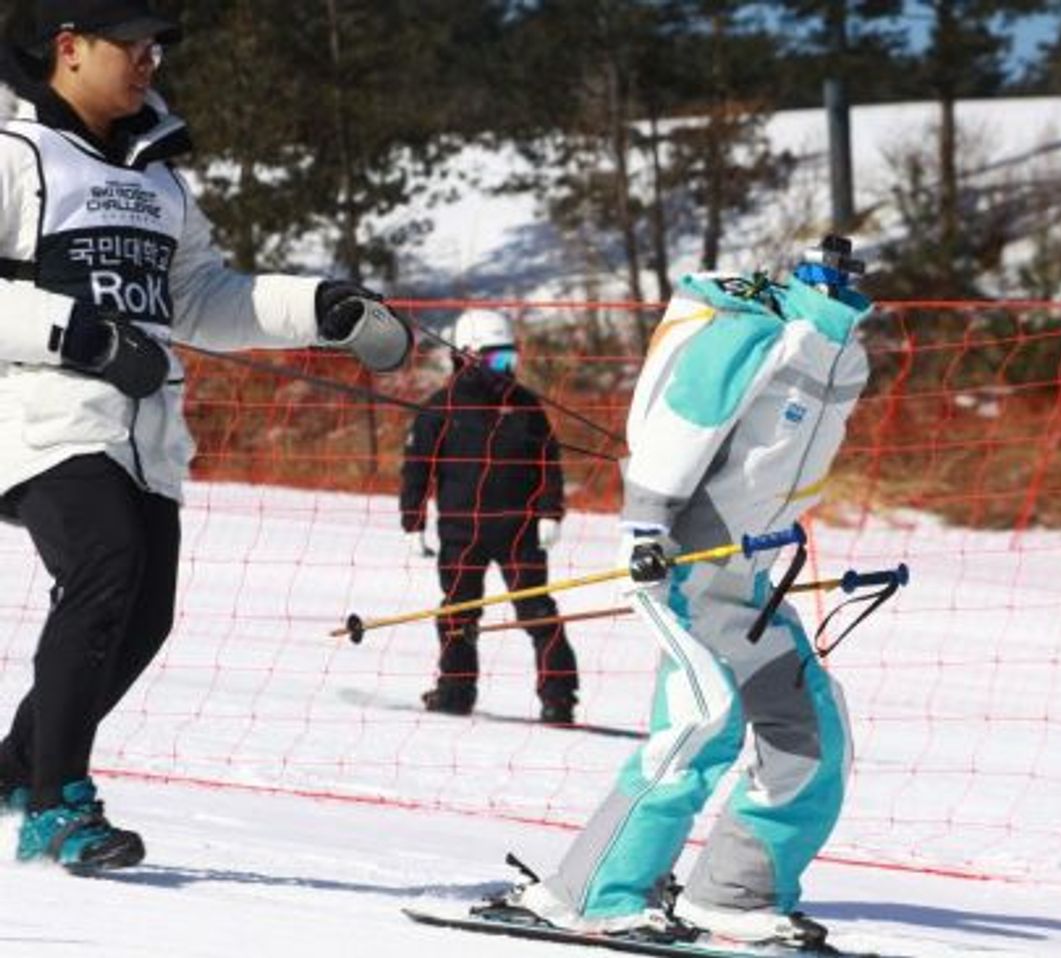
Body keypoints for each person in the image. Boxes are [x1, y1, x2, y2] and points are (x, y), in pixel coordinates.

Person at [0, 0, 412, 872]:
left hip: (143, 431)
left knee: (144, 614)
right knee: (105, 565)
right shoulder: (15, 154)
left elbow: (203, 300)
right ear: (69, 48)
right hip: (34, 415)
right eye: (132, 42)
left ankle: (16, 764)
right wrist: (82, 335)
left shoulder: (159, 179)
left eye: (157, 43)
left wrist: (318, 309)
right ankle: (56, 804)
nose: (150, 57)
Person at [499, 238, 873, 949]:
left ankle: (733, 895)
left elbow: (781, 464)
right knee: (705, 719)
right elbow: (686, 420)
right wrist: (646, 524)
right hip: (680, 564)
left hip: (746, 579)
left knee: (815, 736)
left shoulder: (843, 349)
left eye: (853, 280)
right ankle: (589, 893)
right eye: (834, 278)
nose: (849, 286)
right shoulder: (762, 332)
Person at [399, 309, 579, 724]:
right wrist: (413, 522)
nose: (508, 371)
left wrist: (550, 512)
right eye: (498, 361)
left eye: (512, 360)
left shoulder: (526, 407)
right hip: (462, 532)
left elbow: (548, 462)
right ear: (468, 356)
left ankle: (559, 696)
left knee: (537, 611)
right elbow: (416, 470)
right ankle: (455, 691)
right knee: (458, 613)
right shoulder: (439, 409)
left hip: (520, 531)